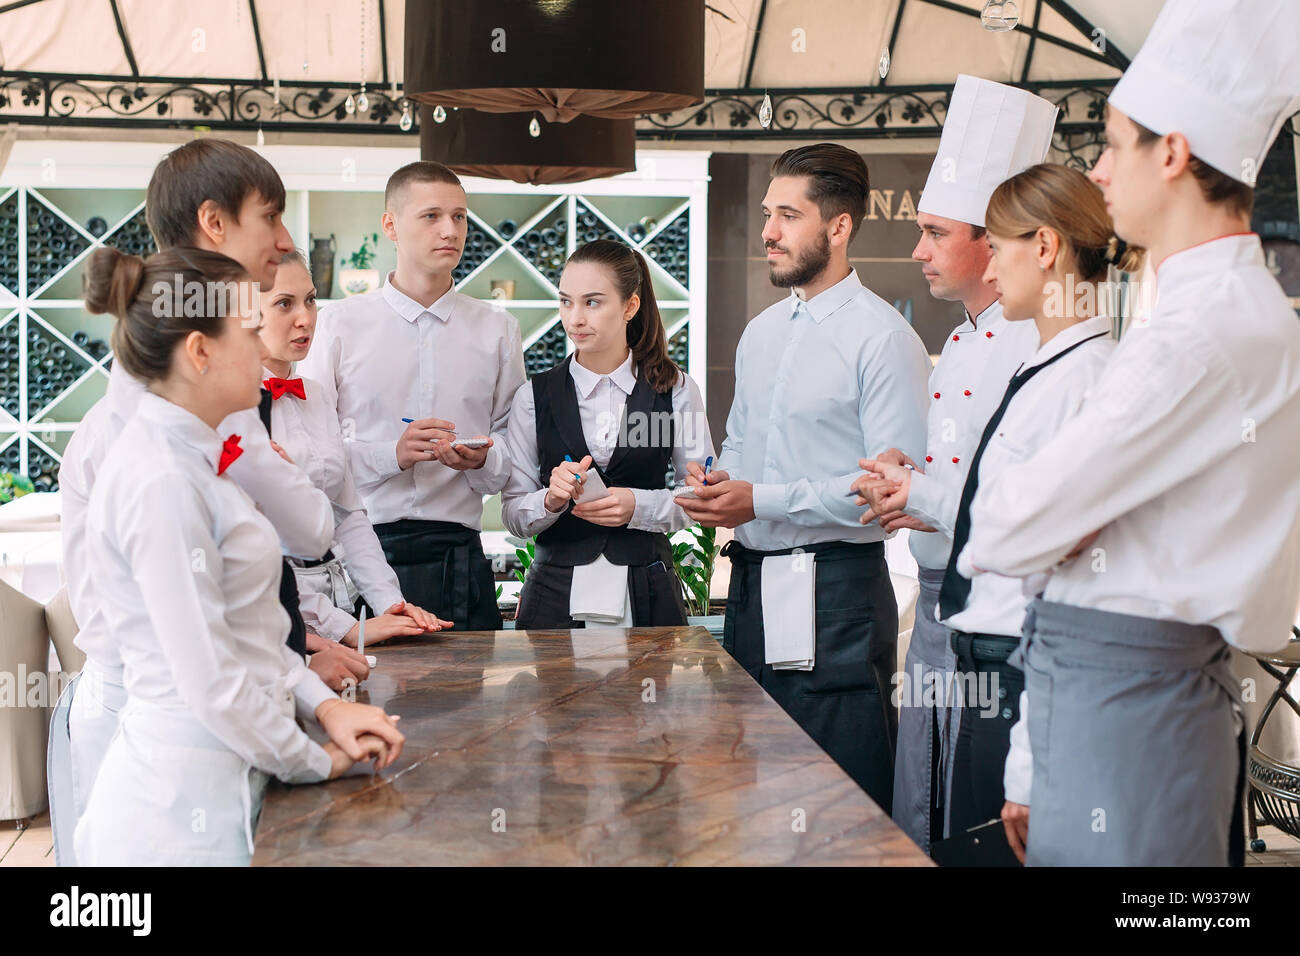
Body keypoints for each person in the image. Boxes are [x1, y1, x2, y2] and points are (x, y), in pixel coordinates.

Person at [964, 0, 1300, 865]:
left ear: (1175, 154)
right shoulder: (1214, 314)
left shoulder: (1199, 336)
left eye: (1114, 144)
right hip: (1119, 700)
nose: (1100, 173)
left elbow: (1001, 527)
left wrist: (1061, 524)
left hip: (1132, 710)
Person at [52, 138, 370, 866]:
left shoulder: (200, 436)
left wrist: (320, 705)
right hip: (168, 773)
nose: (267, 350)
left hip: (222, 757)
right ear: (199, 350)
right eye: (272, 215)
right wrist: (314, 756)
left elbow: (247, 624)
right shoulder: (159, 459)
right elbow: (201, 669)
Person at [860, 163, 1141, 845]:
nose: (991, 269)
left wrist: (1025, 766)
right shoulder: (1039, 365)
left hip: (1020, 661)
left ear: (1043, 249)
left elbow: (1054, 562)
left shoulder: (1085, 375)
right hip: (986, 648)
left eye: (1001, 245)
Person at [677, 144, 931, 809]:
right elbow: (740, 446)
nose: (767, 232)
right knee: (755, 785)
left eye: (788, 216)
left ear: (838, 227)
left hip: (835, 592)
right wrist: (717, 482)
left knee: (838, 795)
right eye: (767, 214)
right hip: (753, 586)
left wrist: (760, 498)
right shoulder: (760, 333)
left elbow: (889, 495)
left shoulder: (883, 339)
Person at [857, 75, 1052, 853]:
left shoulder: (1036, 339)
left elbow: (1025, 494)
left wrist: (926, 490)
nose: (918, 249)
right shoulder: (966, 337)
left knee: (967, 809)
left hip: (994, 614)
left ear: (995, 241)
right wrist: (915, 484)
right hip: (937, 605)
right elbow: (965, 473)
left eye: (936, 232)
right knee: (926, 797)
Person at [300, 161, 525, 631]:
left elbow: (517, 450)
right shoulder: (337, 325)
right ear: (390, 225)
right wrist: (393, 455)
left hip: (461, 557)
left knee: (474, 705)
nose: (450, 230)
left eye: (460, 216)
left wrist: (482, 460)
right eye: (431, 216)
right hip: (358, 554)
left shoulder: (499, 330)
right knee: (364, 700)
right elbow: (309, 455)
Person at [501, 240, 715, 628]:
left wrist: (639, 506)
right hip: (554, 596)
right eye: (566, 302)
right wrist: (549, 500)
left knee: (648, 690)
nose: (575, 319)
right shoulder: (533, 397)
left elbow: (699, 495)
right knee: (555, 692)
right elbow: (513, 512)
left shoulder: (675, 390)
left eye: (592, 302)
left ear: (630, 306)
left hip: (647, 587)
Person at [258, 250, 452, 644]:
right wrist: (341, 628)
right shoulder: (229, 410)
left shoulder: (315, 397)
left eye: (311, 300)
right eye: (284, 303)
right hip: (272, 618)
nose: (306, 318)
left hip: (336, 605)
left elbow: (348, 516)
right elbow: (253, 550)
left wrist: (390, 604)